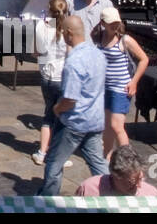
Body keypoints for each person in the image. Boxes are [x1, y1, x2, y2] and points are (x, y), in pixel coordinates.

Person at [38, 15, 110, 197]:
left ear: (69, 34)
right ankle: (115, 193)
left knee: (54, 163)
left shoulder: (74, 61)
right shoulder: (99, 55)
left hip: (74, 123)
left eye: (62, 32)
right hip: (94, 120)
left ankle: (48, 200)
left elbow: (70, 99)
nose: (62, 35)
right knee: (98, 164)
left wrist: (57, 109)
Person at [98, 7, 149, 156]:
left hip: (120, 88)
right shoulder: (98, 37)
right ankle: (106, 157)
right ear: (103, 23)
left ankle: (128, 159)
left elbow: (144, 59)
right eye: (110, 23)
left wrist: (134, 82)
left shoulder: (124, 40)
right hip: (105, 87)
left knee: (116, 125)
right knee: (107, 126)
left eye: (116, 22)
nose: (114, 26)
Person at [31, 0, 71, 166]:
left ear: (49, 8)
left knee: (48, 114)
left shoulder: (40, 26)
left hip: (46, 77)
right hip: (61, 78)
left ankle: (41, 153)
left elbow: (35, 52)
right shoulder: (68, 31)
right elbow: (70, 54)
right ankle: (57, 155)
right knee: (61, 117)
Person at [74, 145, 157, 196]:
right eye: (131, 182)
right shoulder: (89, 189)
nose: (139, 185)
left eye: (140, 178)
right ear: (115, 175)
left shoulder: (151, 195)